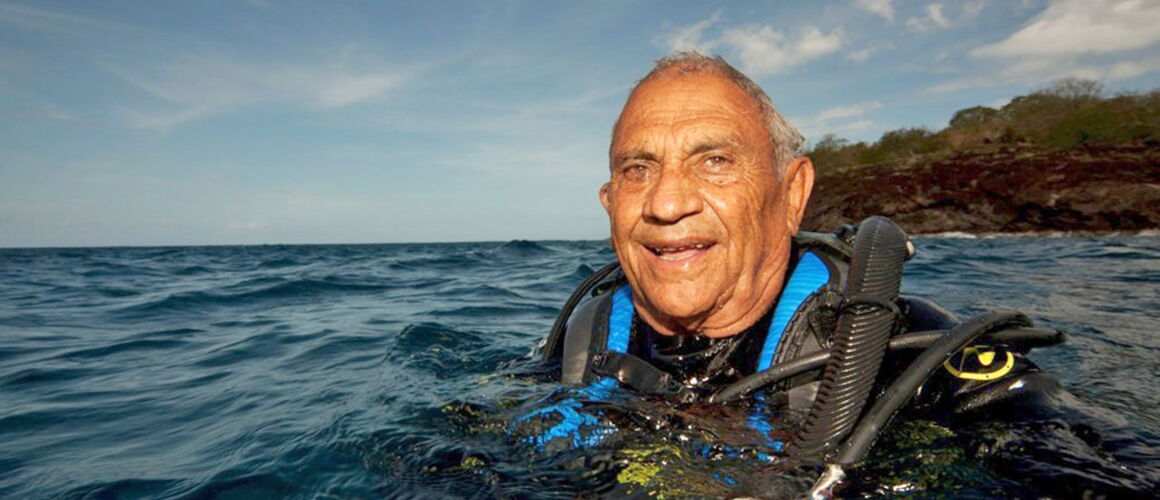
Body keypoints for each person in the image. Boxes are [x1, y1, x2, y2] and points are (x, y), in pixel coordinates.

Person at [528, 52, 1153, 498]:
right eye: (638, 169)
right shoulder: (578, 345)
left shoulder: (907, 357)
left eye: (715, 161)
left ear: (793, 193)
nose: (666, 202)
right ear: (611, 202)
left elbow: (1099, 465)